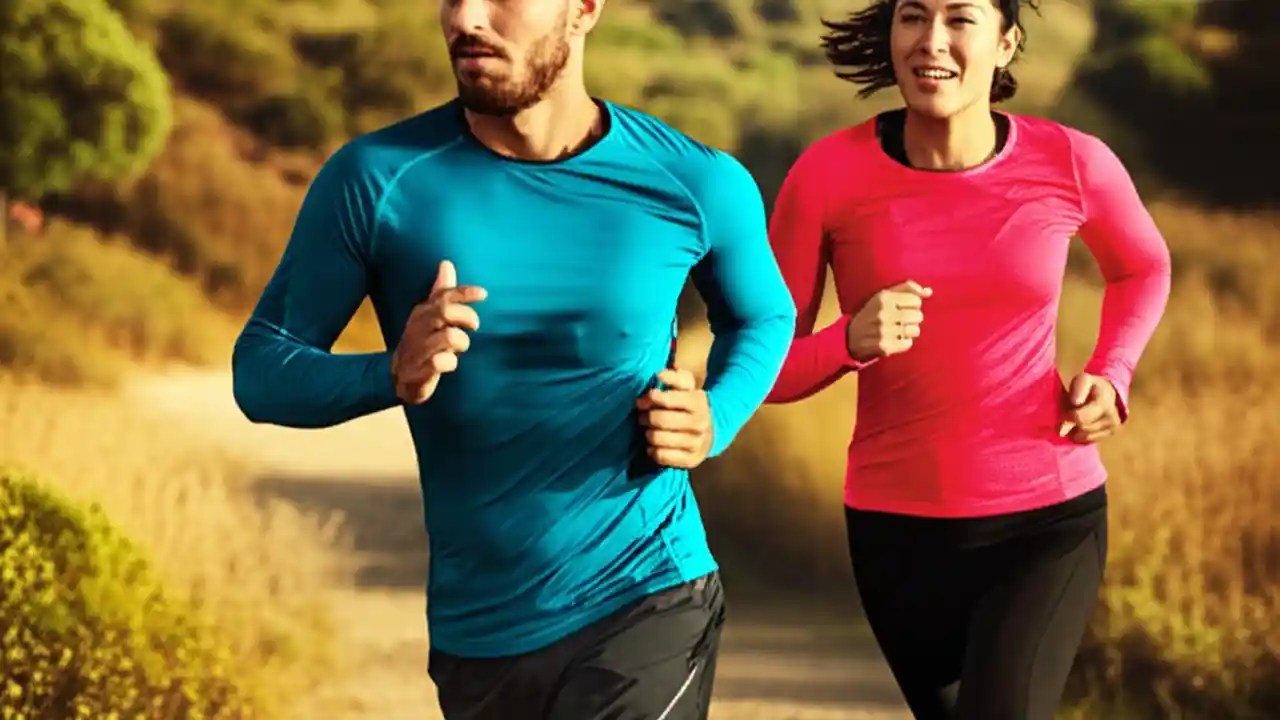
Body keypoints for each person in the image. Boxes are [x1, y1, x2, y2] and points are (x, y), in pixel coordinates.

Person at [230, 0, 797, 717]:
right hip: (479, 633)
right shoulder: (377, 179)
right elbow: (261, 371)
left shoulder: (693, 181)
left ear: (584, 9)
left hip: (647, 592)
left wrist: (717, 415)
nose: (467, 17)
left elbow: (763, 315)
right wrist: (389, 372)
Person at [763, 0, 1172, 718]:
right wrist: (846, 342)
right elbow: (766, 366)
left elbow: (1143, 266)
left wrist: (1113, 372)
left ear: (1006, 43)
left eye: (960, 19)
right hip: (894, 529)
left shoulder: (1072, 161)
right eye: (913, 17)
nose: (932, 41)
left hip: (1046, 520)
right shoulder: (827, 174)